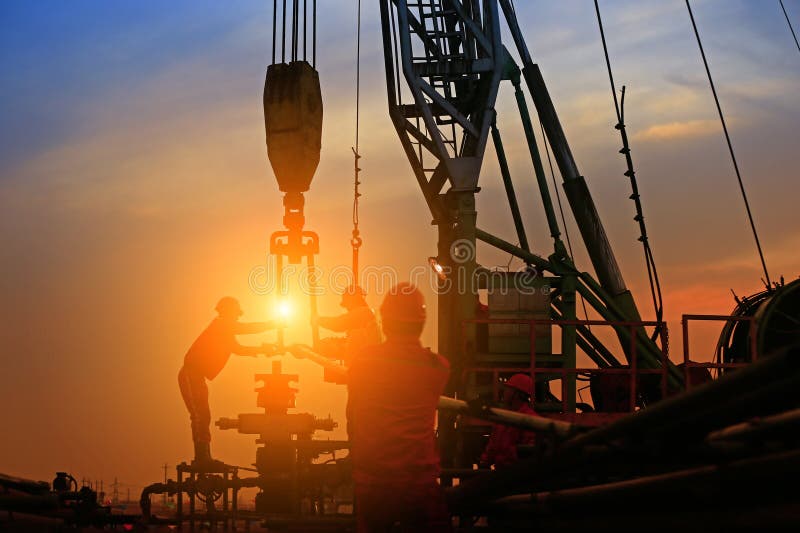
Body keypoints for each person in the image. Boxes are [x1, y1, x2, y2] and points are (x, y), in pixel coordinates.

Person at [346, 283, 452, 533]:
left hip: (372, 483)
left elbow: (352, 417)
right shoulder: (437, 367)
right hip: (419, 484)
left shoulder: (362, 362)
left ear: (385, 320)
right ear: (421, 322)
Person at [178, 296, 279, 466]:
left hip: (197, 376)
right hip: (191, 374)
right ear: (227, 312)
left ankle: (204, 456)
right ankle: (202, 457)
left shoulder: (225, 331)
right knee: (199, 415)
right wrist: (271, 324)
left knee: (203, 415)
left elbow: (238, 349)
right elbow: (245, 329)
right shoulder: (221, 324)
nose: (235, 317)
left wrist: (262, 349)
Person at [479, 373, 537, 468]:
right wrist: (484, 462)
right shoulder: (502, 418)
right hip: (503, 473)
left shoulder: (530, 420)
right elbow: (492, 446)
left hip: (518, 474)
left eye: (508, 389)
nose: (504, 392)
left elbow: (529, 453)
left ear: (517, 394)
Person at [314, 285, 381, 362]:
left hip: (364, 365)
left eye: (347, 303)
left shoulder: (363, 312)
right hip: (368, 362)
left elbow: (338, 324)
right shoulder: (369, 316)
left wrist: (318, 320)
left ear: (353, 299)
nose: (347, 308)